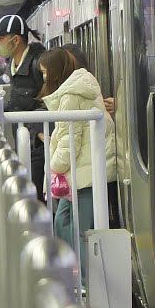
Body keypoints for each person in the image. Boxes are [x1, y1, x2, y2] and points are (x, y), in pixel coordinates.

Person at [39, 47, 116, 277]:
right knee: (64, 220)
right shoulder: (77, 88)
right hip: (82, 171)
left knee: (79, 227)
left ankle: (85, 279)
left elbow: (68, 138)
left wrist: (54, 170)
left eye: (44, 72)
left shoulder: (71, 95)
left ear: (54, 72)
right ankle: (74, 272)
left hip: (84, 172)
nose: (43, 77)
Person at [0, 15, 47, 201]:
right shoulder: (13, 65)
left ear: (15, 40)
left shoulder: (38, 63)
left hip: (37, 144)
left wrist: (39, 133)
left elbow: (50, 100)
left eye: (1, 38)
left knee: (37, 195)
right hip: (24, 141)